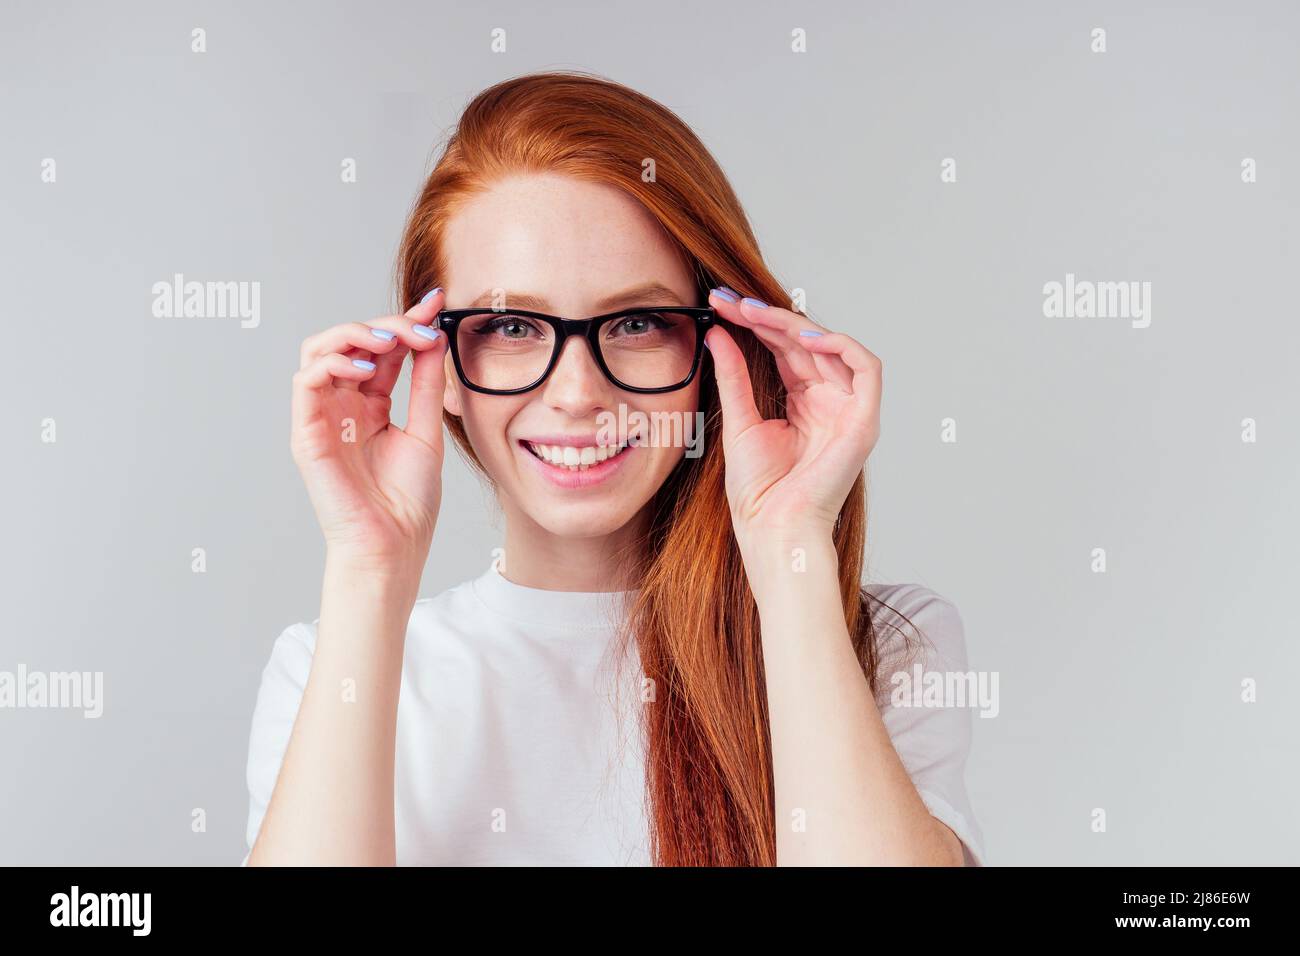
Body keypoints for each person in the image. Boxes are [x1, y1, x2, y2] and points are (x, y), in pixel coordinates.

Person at [244, 71, 985, 866]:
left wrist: (793, 546)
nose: (577, 394)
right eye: (510, 326)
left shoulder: (880, 644)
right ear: (442, 366)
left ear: (716, 347)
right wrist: (369, 568)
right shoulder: (330, 667)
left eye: (636, 321)